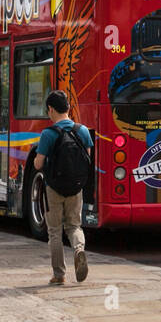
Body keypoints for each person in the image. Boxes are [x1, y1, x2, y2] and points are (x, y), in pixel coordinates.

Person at [34, 90, 92, 286]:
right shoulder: (82, 131)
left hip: (54, 189)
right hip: (76, 187)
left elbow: (39, 164)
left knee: (55, 231)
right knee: (74, 226)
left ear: (51, 109)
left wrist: (36, 158)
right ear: (68, 108)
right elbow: (87, 158)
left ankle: (59, 275)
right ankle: (78, 249)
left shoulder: (48, 134)